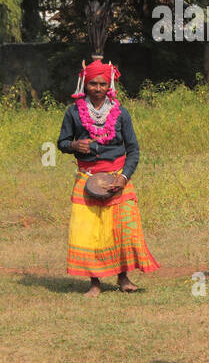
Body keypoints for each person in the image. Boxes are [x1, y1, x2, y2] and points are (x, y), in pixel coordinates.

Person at [58, 60, 160, 295]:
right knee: (91, 231)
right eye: (93, 83)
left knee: (123, 229)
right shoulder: (73, 112)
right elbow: (61, 143)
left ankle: (123, 279)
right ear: (85, 84)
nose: (97, 88)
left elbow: (133, 149)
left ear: (109, 84)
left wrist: (124, 177)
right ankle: (95, 283)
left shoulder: (121, 113)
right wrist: (74, 145)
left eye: (102, 84)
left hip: (117, 178)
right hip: (87, 177)